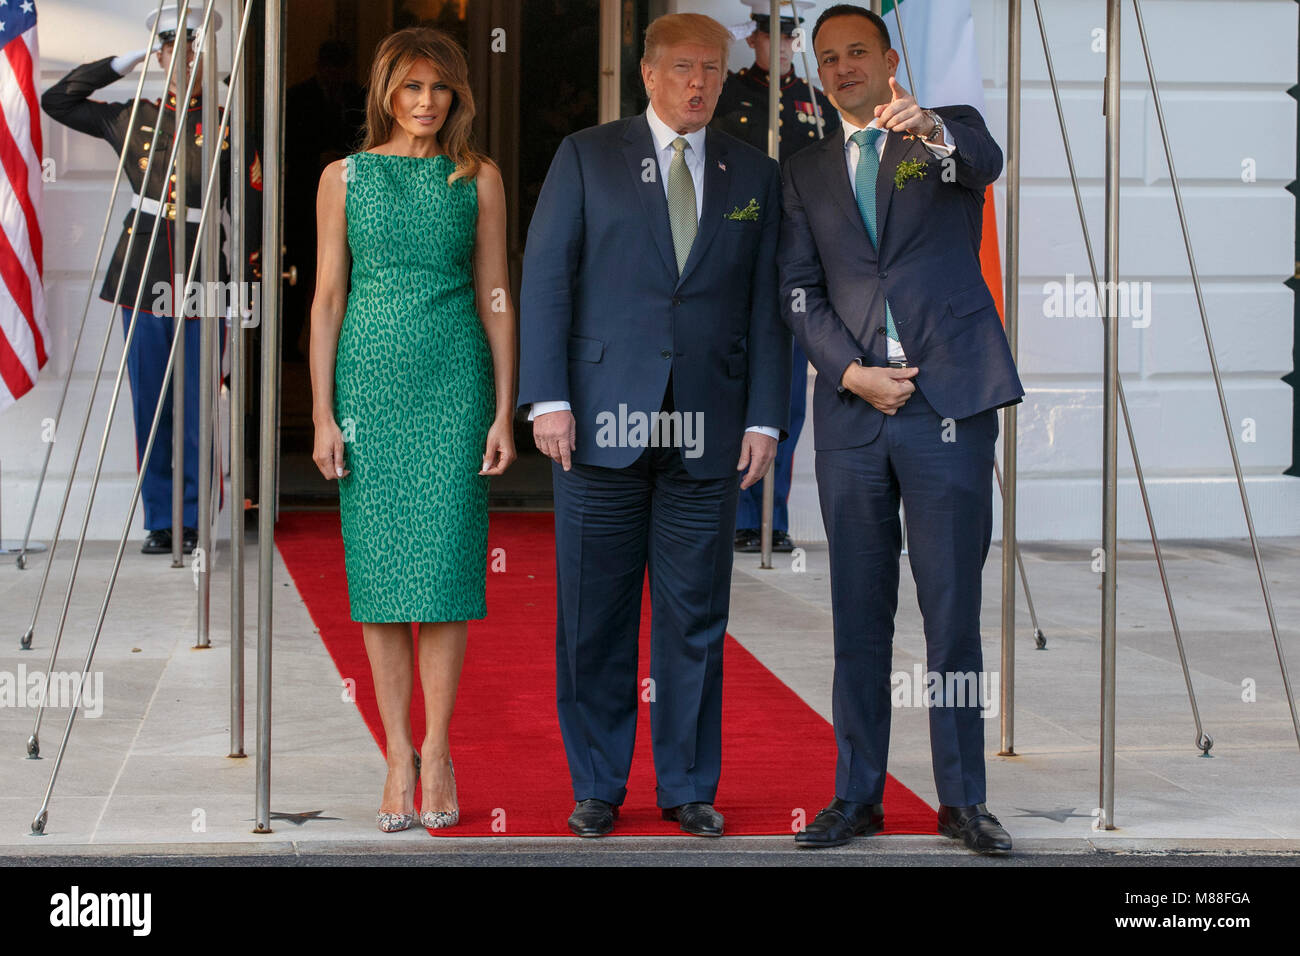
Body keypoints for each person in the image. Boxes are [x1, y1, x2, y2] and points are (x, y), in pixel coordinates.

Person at [519, 12, 790, 838]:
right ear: (647, 73)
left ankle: (687, 787)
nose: (700, 83)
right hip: (600, 423)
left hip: (710, 429)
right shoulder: (587, 155)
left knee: (695, 615)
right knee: (594, 616)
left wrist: (767, 419)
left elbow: (768, 310)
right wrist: (549, 397)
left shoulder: (755, 174)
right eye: (682, 67)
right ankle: (598, 784)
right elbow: (545, 280)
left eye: (712, 68)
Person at [779, 5, 1023, 854]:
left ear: (890, 59)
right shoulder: (804, 166)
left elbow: (986, 164)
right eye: (829, 58)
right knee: (859, 613)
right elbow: (798, 289)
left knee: (951, 611)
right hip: (854, 412)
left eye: (858, 53)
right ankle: (857, 796)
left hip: (946, 405)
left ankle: (961, 800)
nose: (843, 68)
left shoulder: (945, 134)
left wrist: (934, 130)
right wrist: (849, 372)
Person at [309, 27, 517, 833]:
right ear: (386, 95)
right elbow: (328, 298)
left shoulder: (479, 178)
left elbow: (496, 295)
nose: (426, 103)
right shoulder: (344, 177)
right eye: (411, 89)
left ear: (458, 95)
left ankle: (440, 748)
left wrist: (506, 408)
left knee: (444, 579)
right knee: (382, 581)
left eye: (440, 90)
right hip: (368, 384)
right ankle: (397, 752)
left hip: (454, 385)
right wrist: (324, 413)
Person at [42, 5, 253, 556]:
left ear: (205, 56)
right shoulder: (134, 117)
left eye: (191, 49)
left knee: (198, 401)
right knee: (151, 405)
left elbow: (251, 210)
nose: (182, 59)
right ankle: (162, 519)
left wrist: (242, 283)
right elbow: (57, 100)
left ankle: (194, 516)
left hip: (205, 274)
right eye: (169, 50)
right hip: (141, 275)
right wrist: (120, 62)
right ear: (157, 56)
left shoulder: (232, 125)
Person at [712, 0, 839, 554]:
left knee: (786, 396)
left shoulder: (815, 101)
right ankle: (734, 510)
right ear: (755, 42)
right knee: (735, 384)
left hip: (800, 254)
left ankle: (770, 515)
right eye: (771, 39)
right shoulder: (734, 94)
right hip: (741, 247)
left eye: (789, 40)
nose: (781, 48)